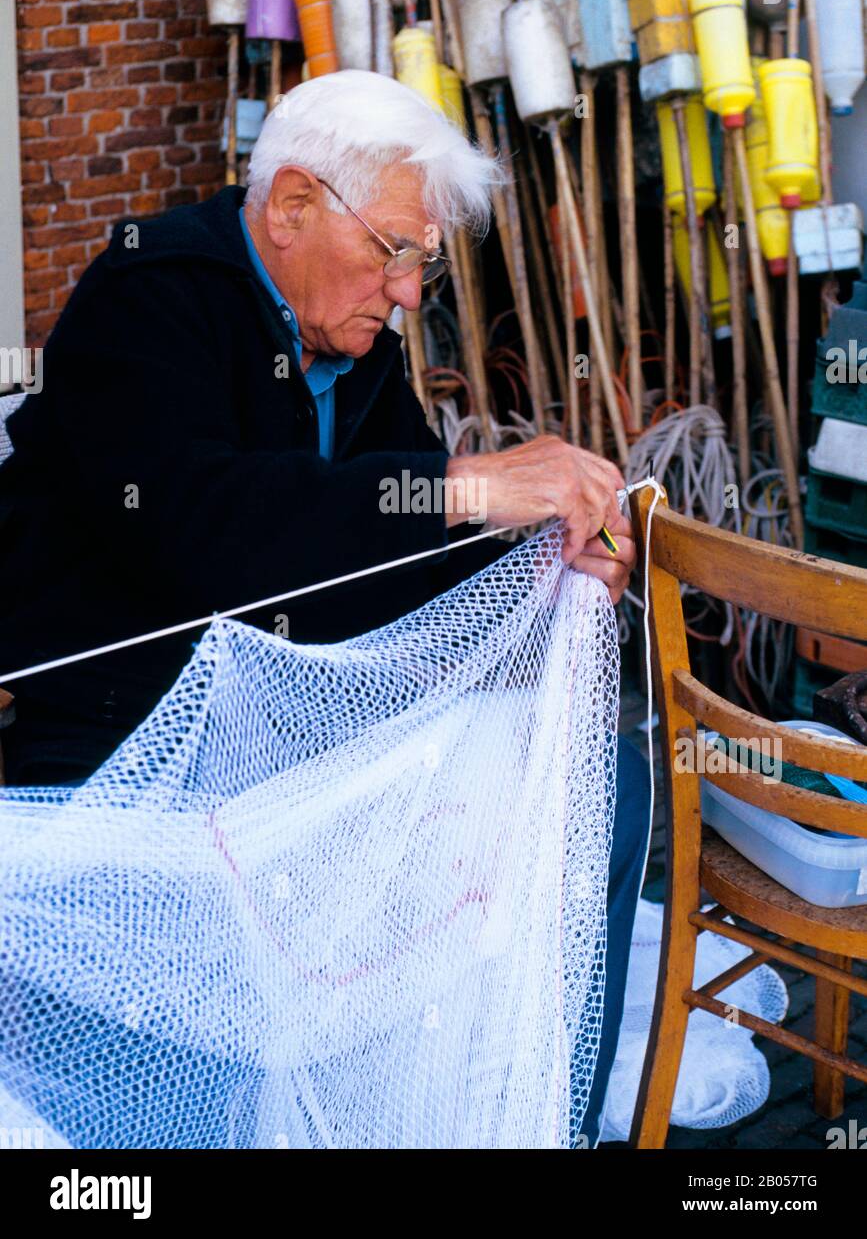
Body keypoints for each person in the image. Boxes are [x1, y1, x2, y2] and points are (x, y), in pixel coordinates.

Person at [0, 69, 649, 1145]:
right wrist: (469, 489)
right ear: (293, 206)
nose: (407, 292)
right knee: (167, 1108)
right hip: (122, 746)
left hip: (282, 728)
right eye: (394, 250)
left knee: (602, 782)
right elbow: (204, 532)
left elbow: (389, 548)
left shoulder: (354, 343)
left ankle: (533, 1117)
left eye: (423, 265)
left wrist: (537, 562)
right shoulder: (147, 296)